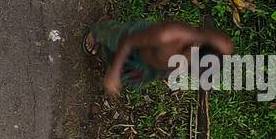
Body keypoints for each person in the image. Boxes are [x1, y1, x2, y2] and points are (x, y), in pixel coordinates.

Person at [84, 19, 234, 101]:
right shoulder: (167, 36)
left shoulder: (215, 47)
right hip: (136, 43)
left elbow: (226, 45)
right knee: (114, 38)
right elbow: (130, 42)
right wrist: (114, 72)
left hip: (151, 66)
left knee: (127, 75)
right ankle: (99, 31)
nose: (185, 69)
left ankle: (115, 63)